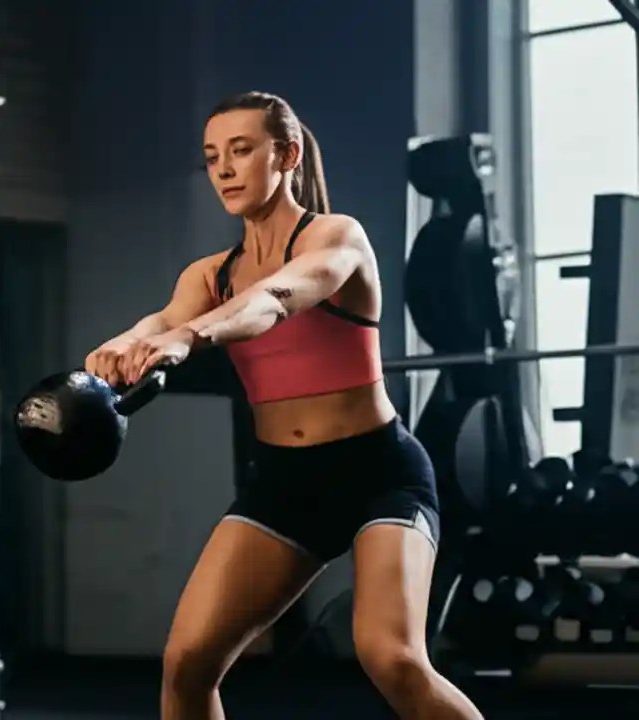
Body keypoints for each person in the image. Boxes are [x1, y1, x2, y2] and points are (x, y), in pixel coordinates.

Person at [85, 91, 485, 720]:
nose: (223, 168)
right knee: (187, 666)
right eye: (213, 156)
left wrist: (187, 337)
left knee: (392, 656)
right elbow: (161, 318)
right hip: (285, 484)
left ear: (288, 154)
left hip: (380, 473)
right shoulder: (210, 273)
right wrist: (118, 348)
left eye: (241, 150)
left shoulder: (334, 236)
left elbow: (273, 301)